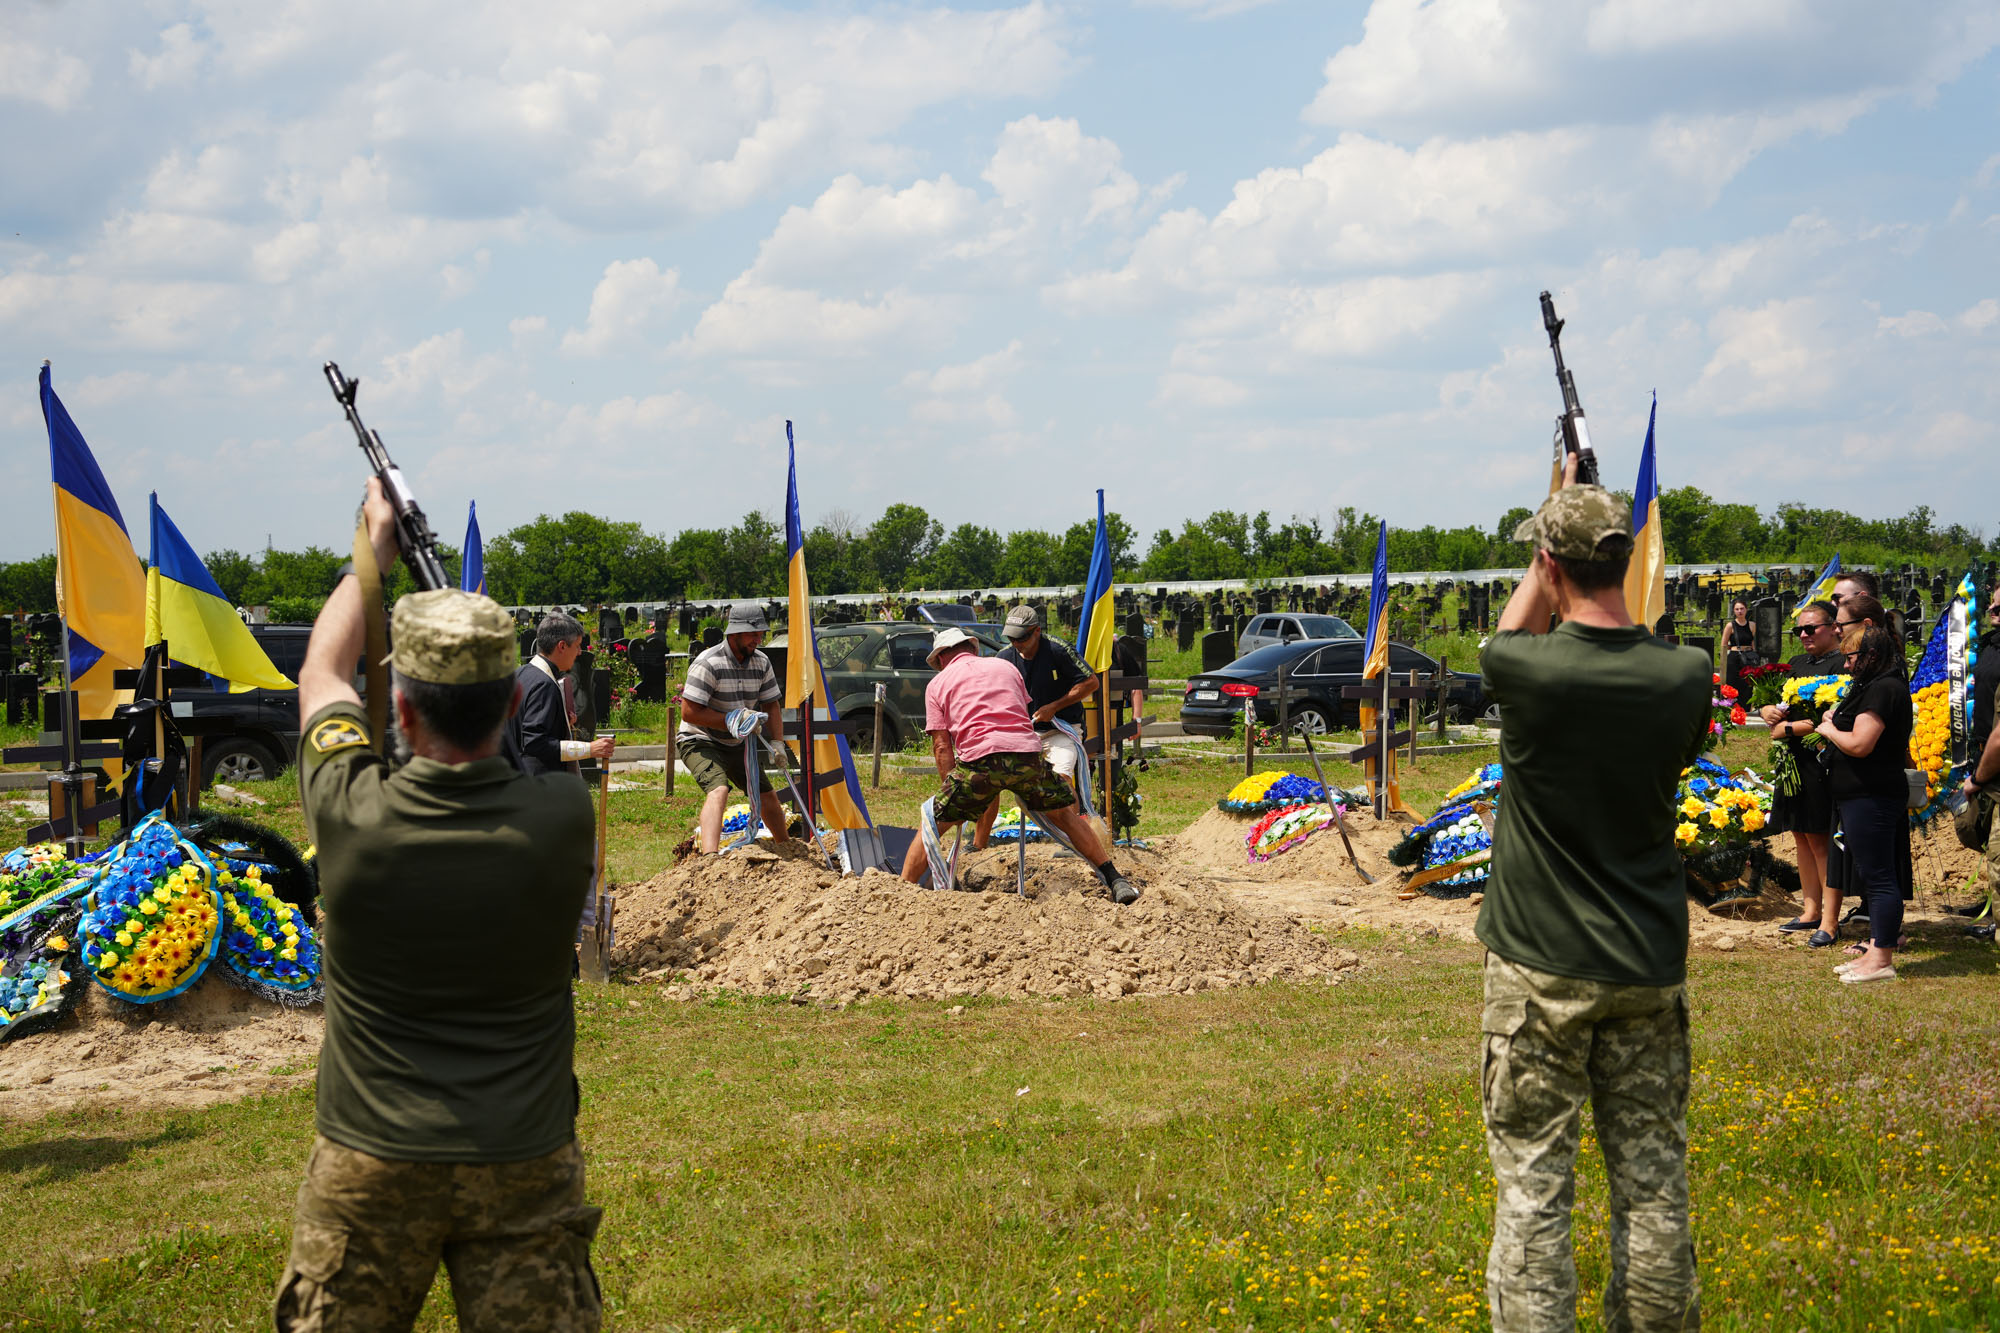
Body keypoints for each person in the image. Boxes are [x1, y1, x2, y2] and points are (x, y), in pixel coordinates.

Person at [276, 481, 602, 1331]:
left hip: (370, 1155)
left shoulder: (352, 814)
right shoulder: (564, 818)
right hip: (525, 1152)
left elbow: (320, 673)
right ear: (510, 703)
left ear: (404, 708)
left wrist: (372, 550)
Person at [1476, 470, 1711, 1332]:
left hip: (1538, 965)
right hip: (1646, 961)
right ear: (1629, 557)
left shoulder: (1525, 669)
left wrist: (1544, 558)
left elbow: (1509, 632)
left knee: (1534, 1188)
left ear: (1549, 562)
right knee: (1652, 1184)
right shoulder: (1683, 674)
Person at [901, 626, 1139, 905]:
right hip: (1027, 755)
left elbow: (942, 746)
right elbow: (1017, 711)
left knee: (932, 822)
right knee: (1065, 816)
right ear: (973, 648)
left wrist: (951, 792)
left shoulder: (937, 685)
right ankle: (1115, 878)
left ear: (940, 659)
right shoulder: (1005, 668)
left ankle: (900, 889)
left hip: (979, 761)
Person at [1819, 622, 1914, 984]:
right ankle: (1875, 952)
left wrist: (1828, 730)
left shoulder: (1884, 689)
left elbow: (1861, 744)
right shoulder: (1875, 685)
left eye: (1851, 658)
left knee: (1879, 878)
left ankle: (1882, 959)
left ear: (1871, 656)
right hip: (1860, 794)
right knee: (1875, 876)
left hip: (1871, 795)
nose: (1846, 666)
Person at [970, 605, 1097, 848]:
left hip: (1061, 728)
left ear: (1037, 631)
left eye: (1022, 638)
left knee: (1061, 780)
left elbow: (1091, 682)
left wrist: (1055, 706)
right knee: (991, 778)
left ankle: (1072, 842)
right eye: (1011, 638)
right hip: (1022, 733)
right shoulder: (1004, 658)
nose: (1017, 643)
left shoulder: (1059, 650)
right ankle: (978, 843)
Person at [1760, 601, 1843, 946]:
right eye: (1799, 630)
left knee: (1821, 839)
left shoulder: (1843, 664)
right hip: (1793, 762)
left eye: (1812, 629)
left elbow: (1837, 713)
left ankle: (1830, 918)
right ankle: (1810, 909)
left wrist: (1791, 728)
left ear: (1834, 628)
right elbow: (1782, 704)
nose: (1804, 635)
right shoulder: (1797, 664)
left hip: (1820, 758)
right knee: (1801, 835)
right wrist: (1767, 710)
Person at [678, 603, 791, 854]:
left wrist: (778, 743)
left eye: (760, 633)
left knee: (766, 795)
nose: (758, 639)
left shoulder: (761, 663)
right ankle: (710, 858)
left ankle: (787, 847)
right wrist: (732, 719)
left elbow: (772, 705)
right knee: (719, 789)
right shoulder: (708, 663)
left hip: (738, 743)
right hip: (700, 739)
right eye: (753, 634)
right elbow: (688, 712)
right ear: (735, 633)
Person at [507, 612, 616, 777]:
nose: (579, 652)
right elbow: (535, 742)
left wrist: (559, 720)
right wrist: (589, 749)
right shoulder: (544, 684)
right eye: (577, 645)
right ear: (562, 646)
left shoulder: (521, 673)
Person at [1721, 598, 1758, 696]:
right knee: (1733, 685)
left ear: (1746, 609)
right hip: (1734, 658)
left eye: (1742, 608)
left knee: (1747, 686)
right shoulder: (1730, 626)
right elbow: (1724, 644)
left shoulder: (1752, 625)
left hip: (1748, 657)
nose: (1739, 611)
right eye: (1737, 609)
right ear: (1733, 611)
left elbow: (1753, 643)